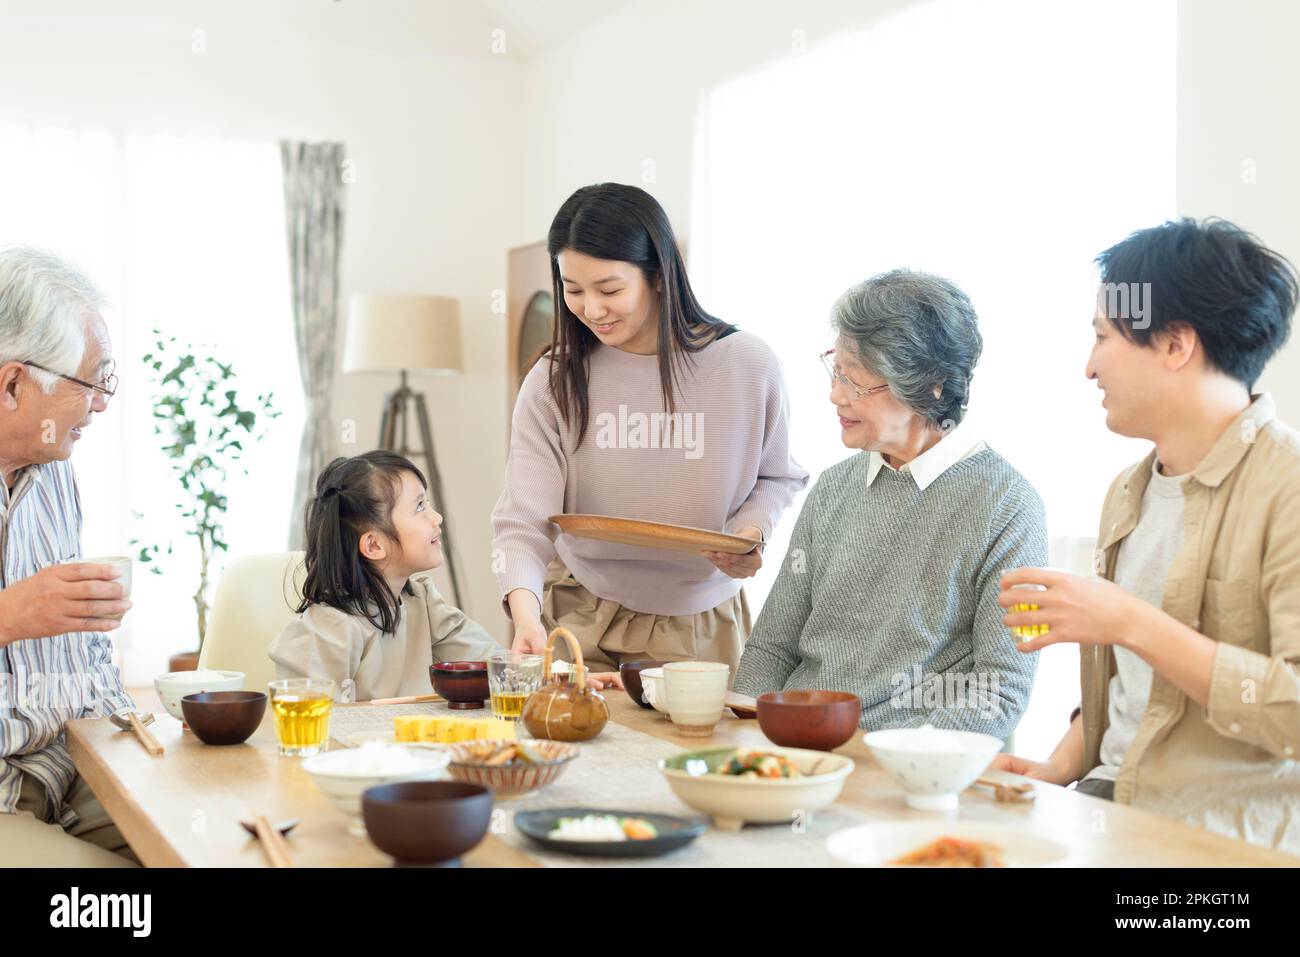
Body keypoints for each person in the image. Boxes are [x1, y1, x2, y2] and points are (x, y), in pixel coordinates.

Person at [994, 218, 1300, 855]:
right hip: (1103, 809)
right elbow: (1135, 688)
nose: (1088, 367)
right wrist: (1059, 767)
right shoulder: (1127, 493)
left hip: (1211, 844)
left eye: (1103, 338)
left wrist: (1130, 621)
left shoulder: (1287, 489)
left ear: (1175, 344)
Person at [491, 183, 808, 674]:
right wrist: (526, 615)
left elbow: (778, 476)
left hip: (702, 622)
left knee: (693, 751)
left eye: (610, 290)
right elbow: (523, 517)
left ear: (658, 275)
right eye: (573, 290)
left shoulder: (746, 364)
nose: (591, 309)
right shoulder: (555, 378)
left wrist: (750, 533)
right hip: (577, 610)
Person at [734, 269, 1045, 739]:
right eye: (836, 371)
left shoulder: (1009, 505)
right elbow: (772, 650)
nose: (835, 394)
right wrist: (748, 739)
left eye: (857, 383)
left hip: (912, 773)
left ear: (933, 385)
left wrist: (894, 760)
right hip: (801, 753)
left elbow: (1001, 690)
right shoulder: (835, 488)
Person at [0, 246, 138, 866]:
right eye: (93, 382)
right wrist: (10, 615)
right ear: (11, 384)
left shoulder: (53, 471)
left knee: (222, 844)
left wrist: (133, 726)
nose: (104, 403)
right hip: (5, 795)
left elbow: (80, 646)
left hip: (72, 767)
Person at [269, 452, 501, 700]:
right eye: (420, 506)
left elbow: (498, 668)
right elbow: (306, 717)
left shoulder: (424, 604)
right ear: (374, 546)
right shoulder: (329, 629)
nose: (436, 518)